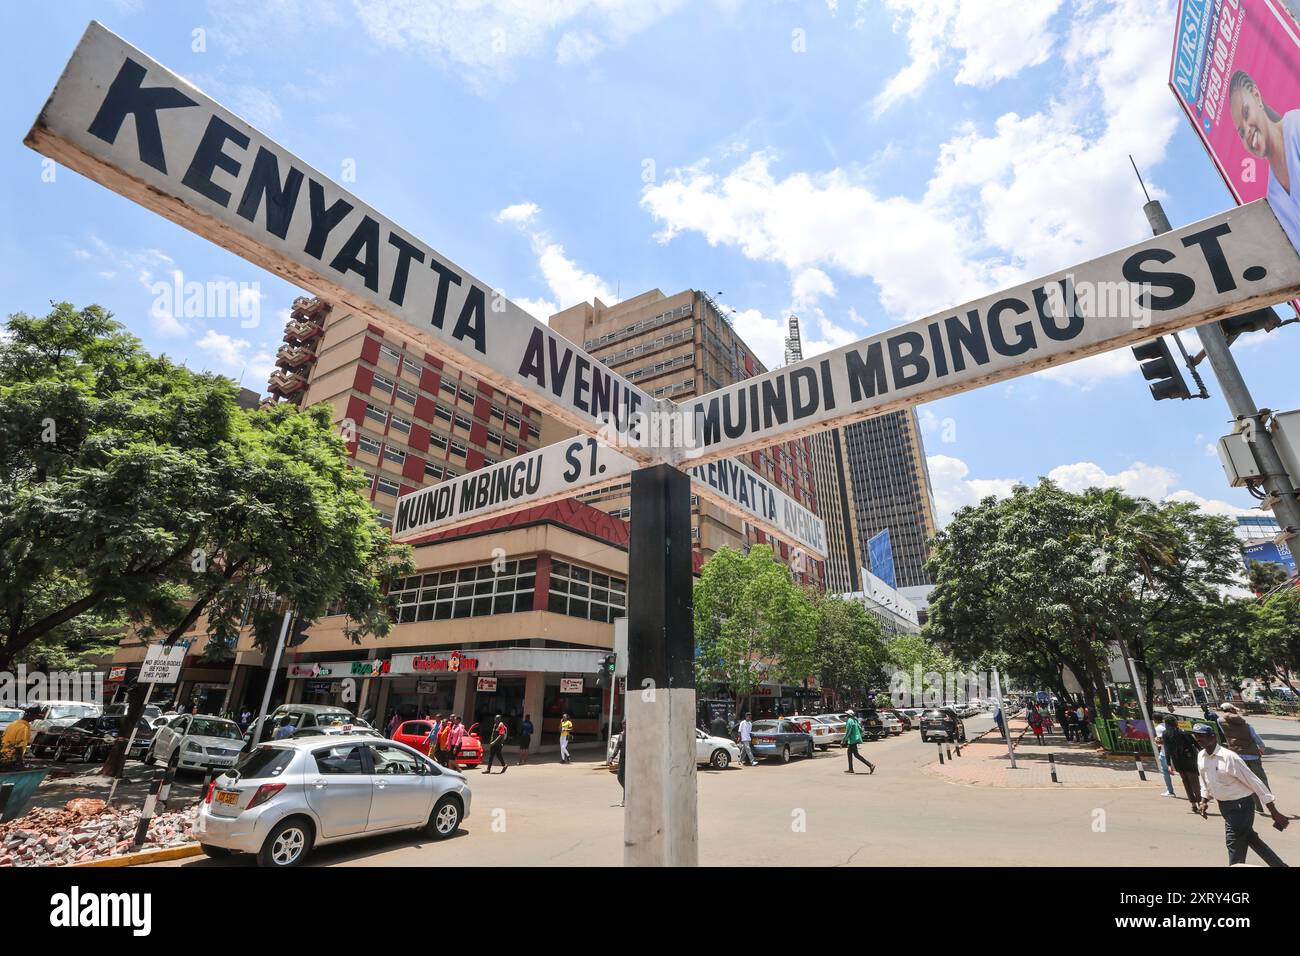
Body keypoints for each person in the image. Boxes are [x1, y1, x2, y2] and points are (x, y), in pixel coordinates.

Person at [1192, 722, 1289, 867]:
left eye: (1202, 737)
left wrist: (1273, 811)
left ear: (1212, 737)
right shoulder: (1201, 756)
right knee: (1249, 837)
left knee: (1233, 841)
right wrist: (1204, 799)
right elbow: (1205, 779)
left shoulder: (1230, 757)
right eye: (1196, 737)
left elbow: (1255, 782)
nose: (1199, 740)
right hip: (1224, 806)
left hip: (1241, 806)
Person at [1229, 70, 1300, 254]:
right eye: (1241, 133)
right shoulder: (1273, 195)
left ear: (1257, 96)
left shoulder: (1297, 127)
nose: (1248, 131)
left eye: (1246, 113)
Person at [1216, 702, 1271, 813]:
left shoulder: (1220, 722)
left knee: (1248, 782)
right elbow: (1256, 738)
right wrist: (1261, 748)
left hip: (1237, 756)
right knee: (1261, 780)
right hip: (1252, 755)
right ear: (1233, 710)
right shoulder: (1246, 725)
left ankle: (1258, 807)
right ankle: (1270, 804)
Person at [1162, 715, 1202, 811]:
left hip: (1177, 761)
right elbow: (1196, 745)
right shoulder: (1183, 732)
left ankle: (1193, 804)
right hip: (1189, 760)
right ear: (1175, 722)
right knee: (1194, 782)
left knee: (1186, 782)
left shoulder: (1165, 733)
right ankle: (1200, 803)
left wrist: (1168, 764)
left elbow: (1167, 750)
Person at [841, 709, 875, 774]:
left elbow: (848, 732)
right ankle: (850, 769)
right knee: (849, 753)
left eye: (847, 714)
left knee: (856, 755)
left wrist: (843, 740)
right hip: (855, 739)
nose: (846, 715)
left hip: (853, 740)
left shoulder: (850, 721)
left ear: (849, 715)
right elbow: (860, 729)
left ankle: (870, 765)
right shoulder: (855, 720)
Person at [1153, 712, 1177, 797]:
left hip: (1165, 753)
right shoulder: (1169, 726)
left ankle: (1170, 791)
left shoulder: (1158, 728)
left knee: (1165, 772)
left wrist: (1156, 741)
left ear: (1155, 720)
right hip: (1176, 752)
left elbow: (1161, 740)